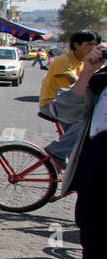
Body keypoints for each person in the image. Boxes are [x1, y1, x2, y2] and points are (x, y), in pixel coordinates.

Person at [48, 43, 107, 259]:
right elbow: (63, 112)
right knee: (92, 238)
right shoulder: (99, 82)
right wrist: (86, 74)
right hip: (95, 172)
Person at [41, 31, 101, 166]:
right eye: (89, 44)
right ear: (76, 45)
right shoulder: (64, 60)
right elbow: (75, 82)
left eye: (96, 45)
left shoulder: (83, 62)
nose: (93, 48)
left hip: (71, 105)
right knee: (86, 123)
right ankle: (57, 151)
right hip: (54, 104)